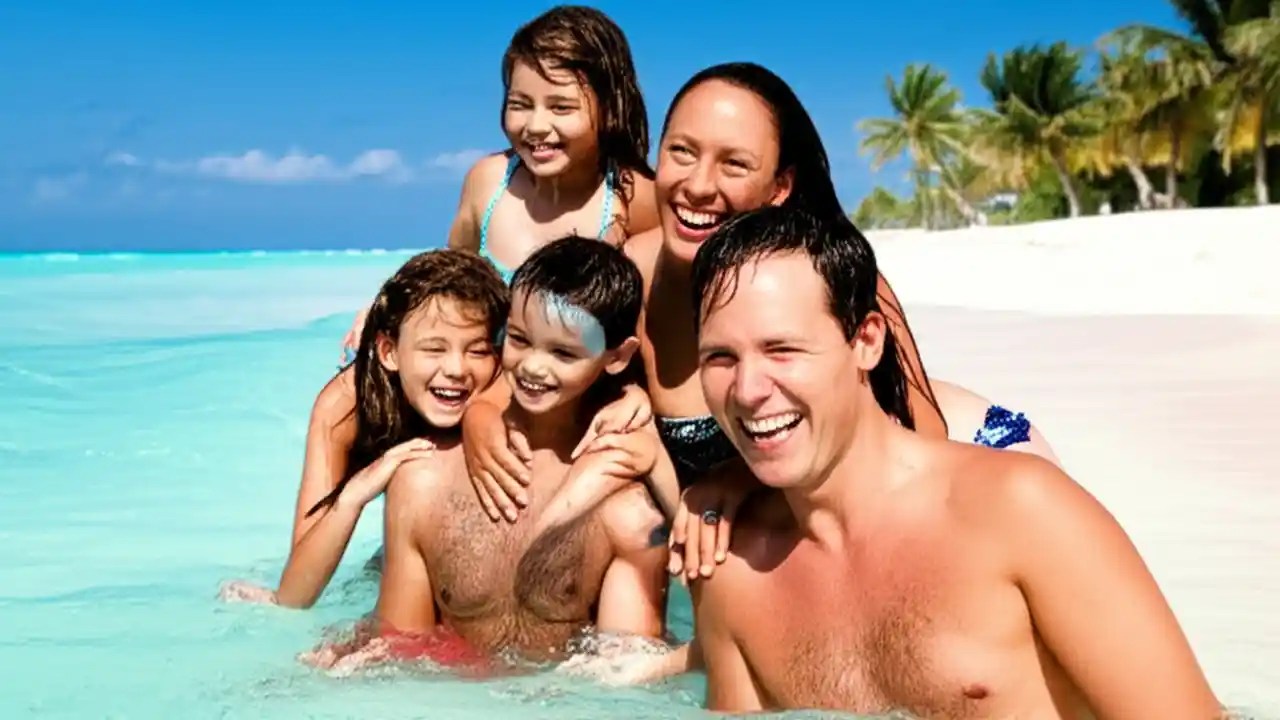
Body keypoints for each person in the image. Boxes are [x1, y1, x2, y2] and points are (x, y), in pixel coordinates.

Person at [461, 61, 1057, 576]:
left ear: (780, 187)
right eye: (682, 153)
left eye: (734, 165)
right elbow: (537, 358)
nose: (697, 186)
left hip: (977, 449)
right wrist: (482, 417)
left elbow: (921, 446)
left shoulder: (833, 276)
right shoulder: (630, 280)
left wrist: (735, 483)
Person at [680, 206, 1220, 718]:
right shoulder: (733, 576)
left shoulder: (1019, 510)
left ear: (866, 342)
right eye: (720, 358)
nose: (747, 390)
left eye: (782, 350)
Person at [307, 236, 673, 673]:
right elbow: (402, 650)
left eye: (562, 352)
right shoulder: (421, 483)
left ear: (618, 358)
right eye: (519, 340)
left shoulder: (627, 511)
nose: (534, 366)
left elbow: (622, 678)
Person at [338, 4, 658, 358]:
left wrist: (631, 392)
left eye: (561, 108)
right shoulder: (489, 182)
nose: (535, 125)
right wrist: (387, 310)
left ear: (611, 108)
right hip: (481, 380)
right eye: (520, 104)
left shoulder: (633, 199)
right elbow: (449, 279)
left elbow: (659, 322)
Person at [218, 249, 511, 608]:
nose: (455, 368)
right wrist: (355, 494)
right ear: (389, 352)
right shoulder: (345, 408)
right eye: (434, 349)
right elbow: (297, 594)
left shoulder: (508, 384)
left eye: (478, 351)